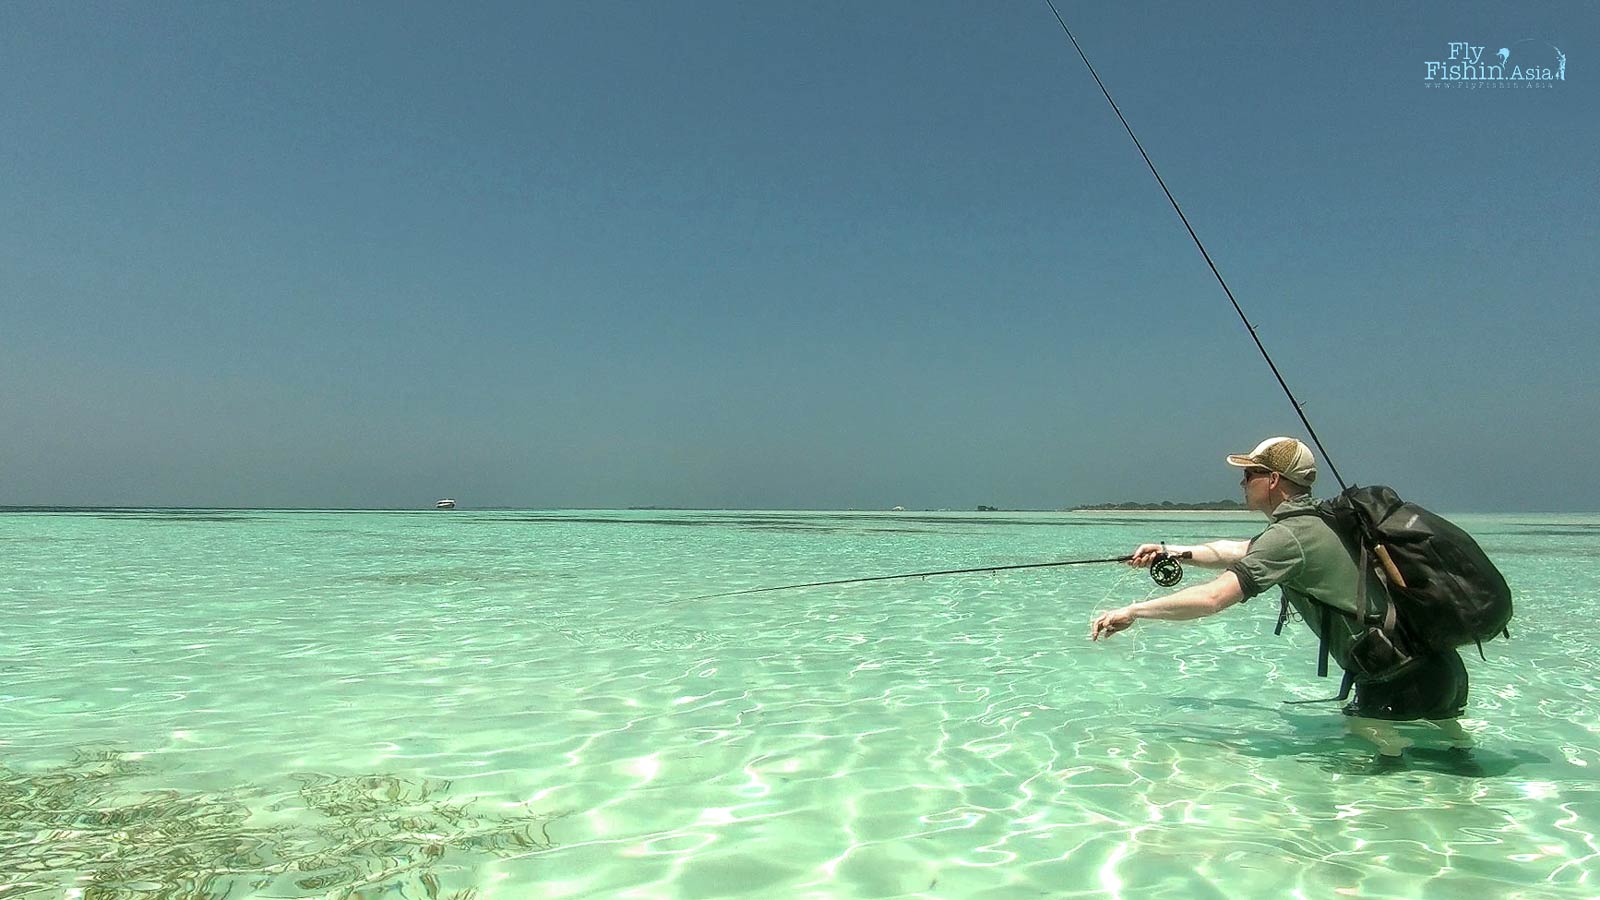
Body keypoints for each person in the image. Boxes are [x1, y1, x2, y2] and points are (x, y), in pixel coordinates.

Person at [1087, 436, 1472, 759]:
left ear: (1273, 480)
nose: (1241, 483)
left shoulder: (1289, 537)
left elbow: (1213, 599)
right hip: (1440, 672)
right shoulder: (1319, 520)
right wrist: (1173, 551)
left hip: (1395, 682)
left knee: (1383, 796)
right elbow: (1237, 551)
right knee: (1456, 772)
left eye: (1249, 474)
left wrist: (1135, 611)